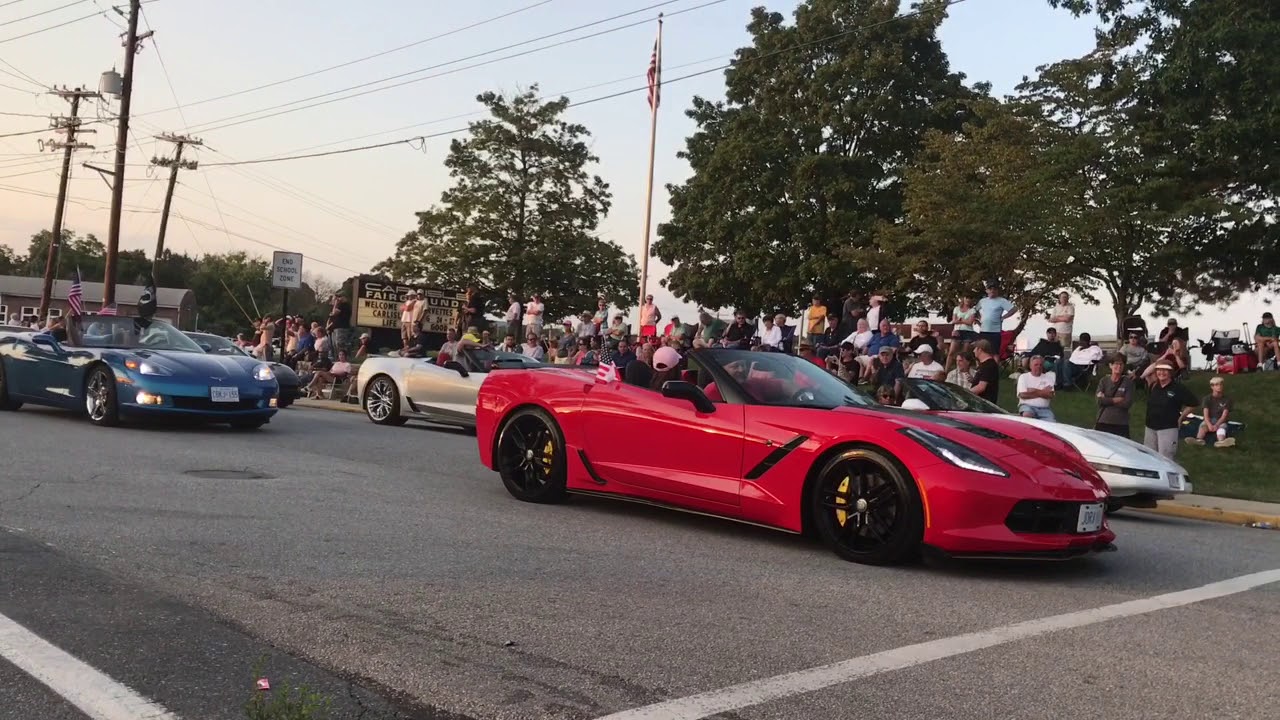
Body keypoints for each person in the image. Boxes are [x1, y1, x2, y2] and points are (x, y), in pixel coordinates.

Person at [1142, 362, 1198, 460]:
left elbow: (1193, 403)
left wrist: (1181, 417)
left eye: (1165, 370)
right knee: (1149, 457)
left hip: (1167, 428)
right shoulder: (1153, 385)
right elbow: (1145, 374)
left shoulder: (1178, 388)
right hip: (1150, 427)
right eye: (1159, 370)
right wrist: (1160, 360)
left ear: (1170, 372)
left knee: (1165, 459)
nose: (1162, 373)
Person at [1094, 354, 1135, 438]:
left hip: (1121, 423)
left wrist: (1106, 399)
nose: (1119, 366)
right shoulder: (1104, 381)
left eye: (1121, 364)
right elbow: (1099, 401)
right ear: (1110, 365)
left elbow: (1127, 403)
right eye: (1116, 364)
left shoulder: (1128, 383)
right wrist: (1115, 400)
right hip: (1103, 421)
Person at [1187, 376, 1235, 447]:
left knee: (1222, 428)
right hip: (1209, 420)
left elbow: (1224, 416)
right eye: (1217, 385)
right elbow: (1205, 415)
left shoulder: (1227, 400)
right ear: (1212, 387)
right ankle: (1199, 440)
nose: (1219, 386)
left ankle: (1221, 442)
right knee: (1203, 426)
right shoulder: (1207, 399)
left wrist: (1216, 425)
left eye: (1221, 384)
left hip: (1220, 421)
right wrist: (1209, 424)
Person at [975, 281, 1016, 353]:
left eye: (994, 289)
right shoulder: (982, 301)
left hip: (995, 331)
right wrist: (979, 319)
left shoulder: (1002, 301)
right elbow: (975, 310)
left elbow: (1013, 309)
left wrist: (1003, 317)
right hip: (983, 330)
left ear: (997, 290)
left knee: (994, 352)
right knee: (981, 351)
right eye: (990, 289)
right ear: (987, 290)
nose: (992, 291)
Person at [1016, 355, 1057, 420]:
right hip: (1027, 407)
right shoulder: (1023, 377)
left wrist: (1033, 390)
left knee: (1051, 423)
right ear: (1030, 366)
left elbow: (1050, 395)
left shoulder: (1048, 378)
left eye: (1040, 365)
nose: (1038, 367)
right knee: (1027, 415)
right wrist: (1043, 392)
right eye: (1036, 365)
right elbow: (1023, 395)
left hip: (1044, 409)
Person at [971, 339, 1000, 404]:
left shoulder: (989, 366)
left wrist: (966, 393)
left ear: (980, 350)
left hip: (983, 404)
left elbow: (981, 387)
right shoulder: (984, 365)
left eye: (975, 348)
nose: (973, 351)